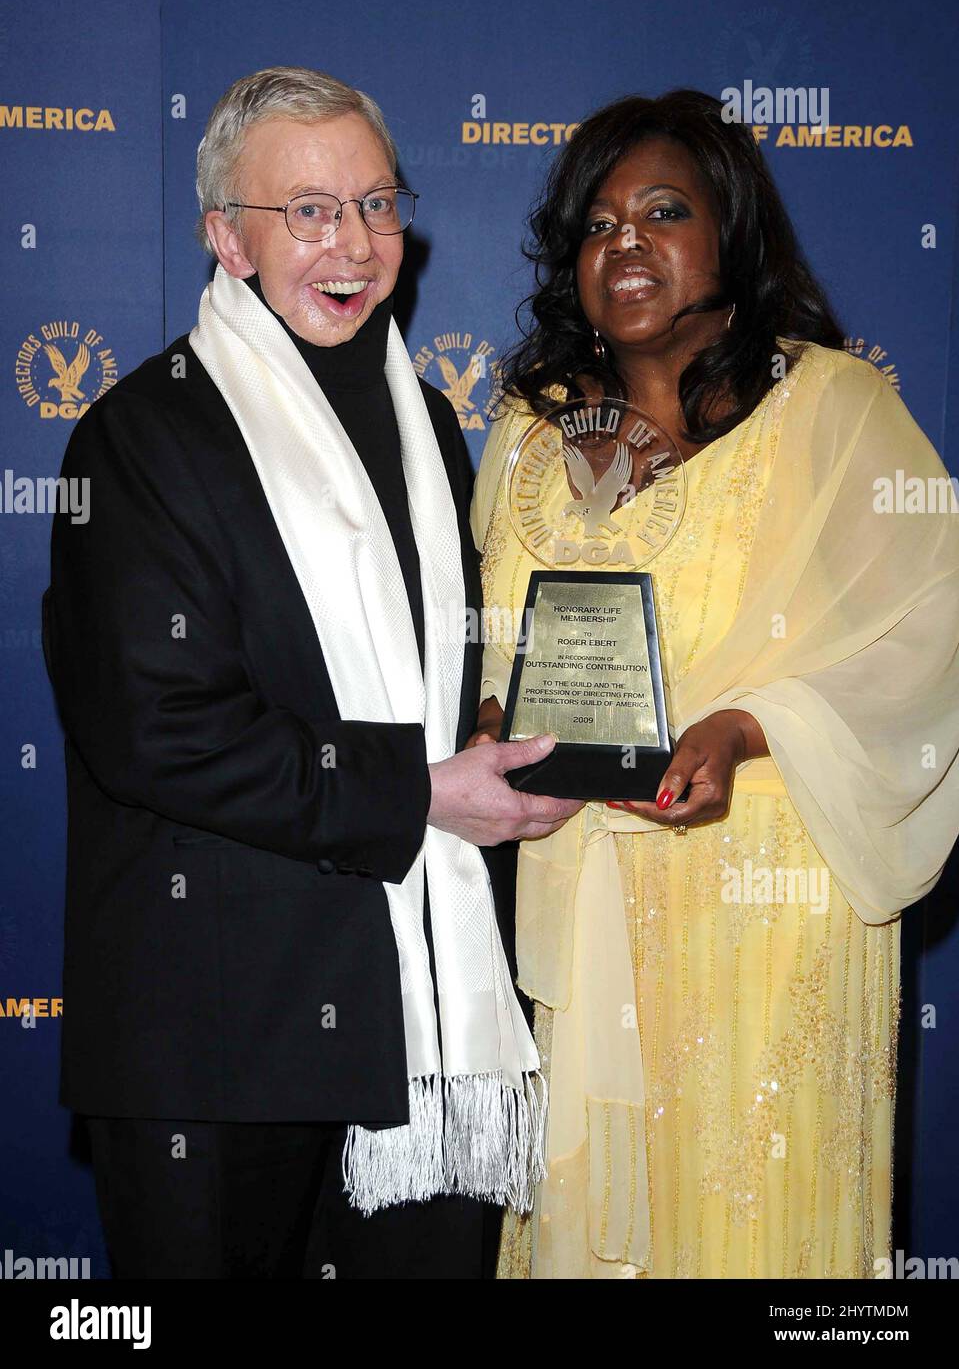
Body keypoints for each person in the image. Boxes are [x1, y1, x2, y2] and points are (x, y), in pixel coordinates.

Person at [42, 65, 581, 1280]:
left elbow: (443, 674)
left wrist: (511, 727)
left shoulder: (431, 424)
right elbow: (153, 728)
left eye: (376, 203)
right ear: (225, 237)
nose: (352, 242)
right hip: (217, 1035)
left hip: (421, 1024)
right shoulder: (136, 438)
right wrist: (424, 789)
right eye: (308, 211)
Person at [470, 90, 959, 1279]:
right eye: (595, 224)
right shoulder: (527, 438)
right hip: (587, 900)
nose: (622, 242)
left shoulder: (833, 412)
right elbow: (498, 650)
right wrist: (495, 718)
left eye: (662, 211)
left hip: (769, 909)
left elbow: (928, 636)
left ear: (731, 234)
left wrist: (745, 728)